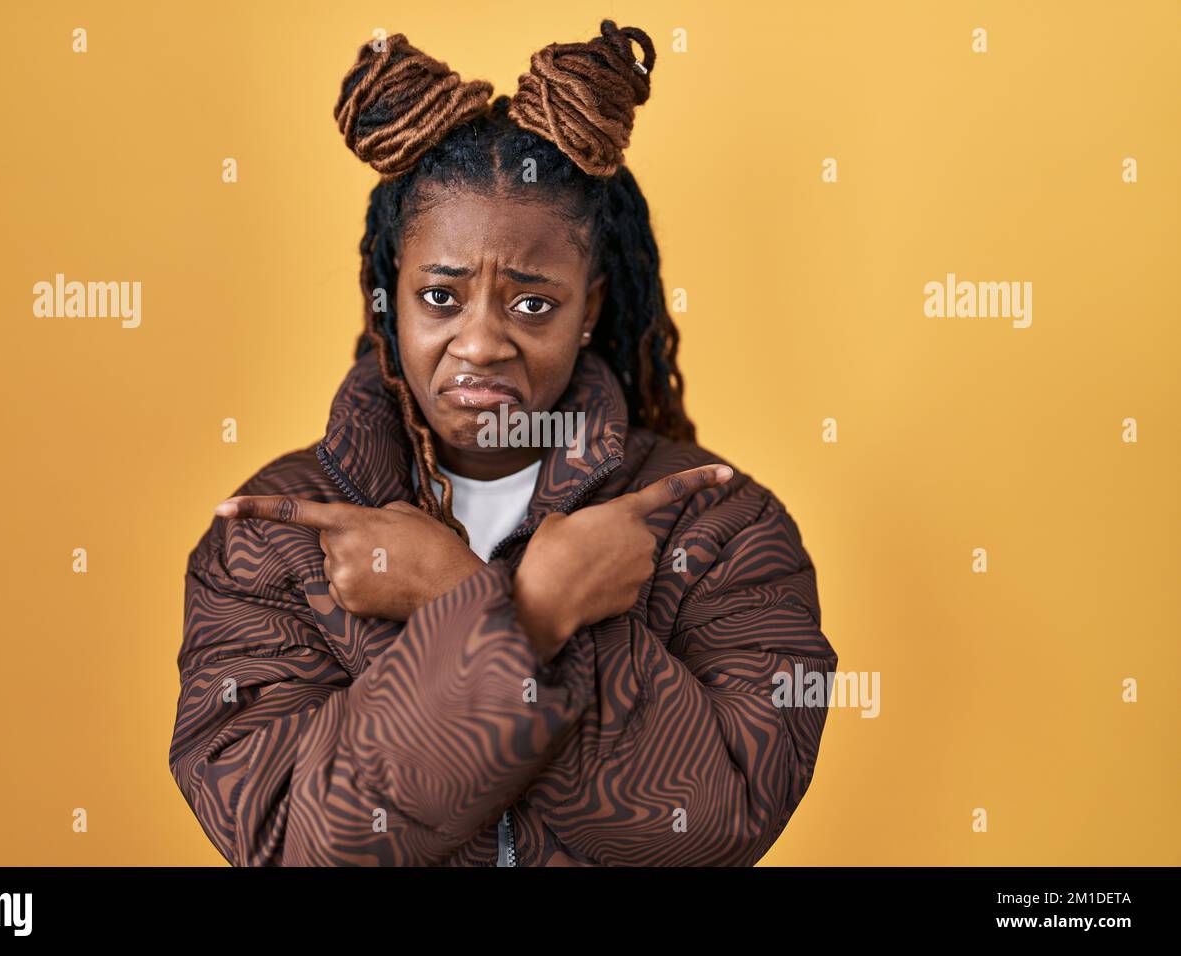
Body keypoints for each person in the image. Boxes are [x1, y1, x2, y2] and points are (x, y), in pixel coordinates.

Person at [169, 20, 839, 866]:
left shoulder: (722, 528)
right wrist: (526, 613)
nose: (482, 343)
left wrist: (461, 607)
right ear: (389, 296)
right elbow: (300, 844)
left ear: (589, 307)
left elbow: (713, 827)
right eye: (442, 298)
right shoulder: (275, 537)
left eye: (531, 305)